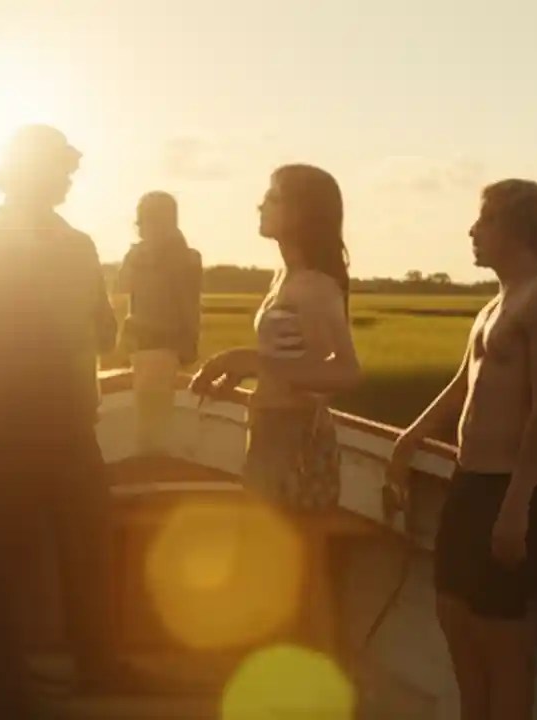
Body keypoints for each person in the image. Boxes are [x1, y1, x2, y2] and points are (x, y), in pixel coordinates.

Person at [0, 124, 137, 718]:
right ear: (28, 172)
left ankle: (74, 672)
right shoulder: (46, 246)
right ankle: (35, 682)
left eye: (69, 168)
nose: (69, 178)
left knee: (77, 551)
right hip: (14, 431)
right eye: (60, 168)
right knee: (13, 559)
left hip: (61, 428)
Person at [385, 179, 537, 720]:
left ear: (517, 230)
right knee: (455, 620)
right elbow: (462, 384)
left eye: (485, 220)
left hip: (512, 489)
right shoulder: (496, 304)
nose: (473, 231)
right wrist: (411, 437)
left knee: (503, 647)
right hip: (469, 485)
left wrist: (517, 504)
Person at [188, 164, 362, 656]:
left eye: (273, 197)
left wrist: (251, 361)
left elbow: (346, 372)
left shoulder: (313, 286)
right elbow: (294, 368)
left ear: (302, 213)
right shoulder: (286, 277)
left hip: (295, 446)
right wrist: (243, 376)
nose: (261, 204)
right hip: (270, 437)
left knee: (292, 576)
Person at [117, 191, 203, 455]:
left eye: (142, 221)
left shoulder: (158, 257)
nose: (139, 228)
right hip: (157, 347)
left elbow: (123, 289)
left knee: (150, 425)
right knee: (155, 420)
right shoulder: (187, 257)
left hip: (153, 346)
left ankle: (152, 475)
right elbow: (190, 305)